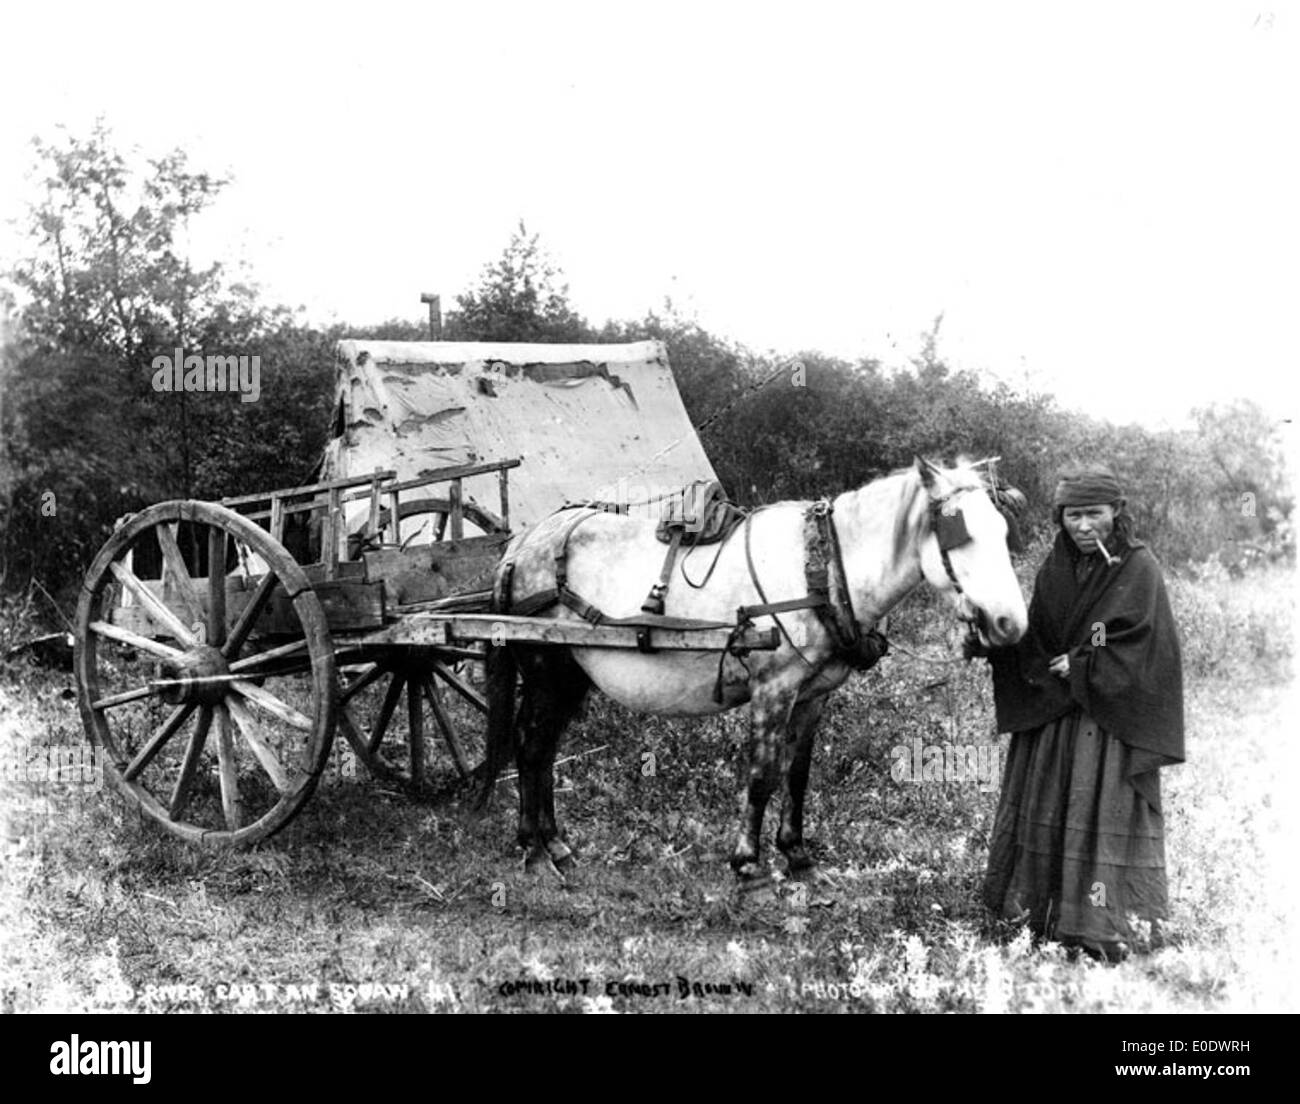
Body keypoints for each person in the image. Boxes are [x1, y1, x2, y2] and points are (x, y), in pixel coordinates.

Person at [976, 464, 1184, 962]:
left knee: (1096, 808)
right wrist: (992, 637)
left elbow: (1140, 641)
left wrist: (1087, 660)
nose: (1083, 526)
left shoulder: (1138, 568)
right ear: (1060, 517)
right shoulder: (1055, 567)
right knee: (1050, 807)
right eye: (1073, 516)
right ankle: (1038, 915)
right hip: (1054, 718)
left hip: (1104, 721)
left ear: (1116, 513)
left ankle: (1098, 923)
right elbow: (1037, 634)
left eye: (1094, 514)